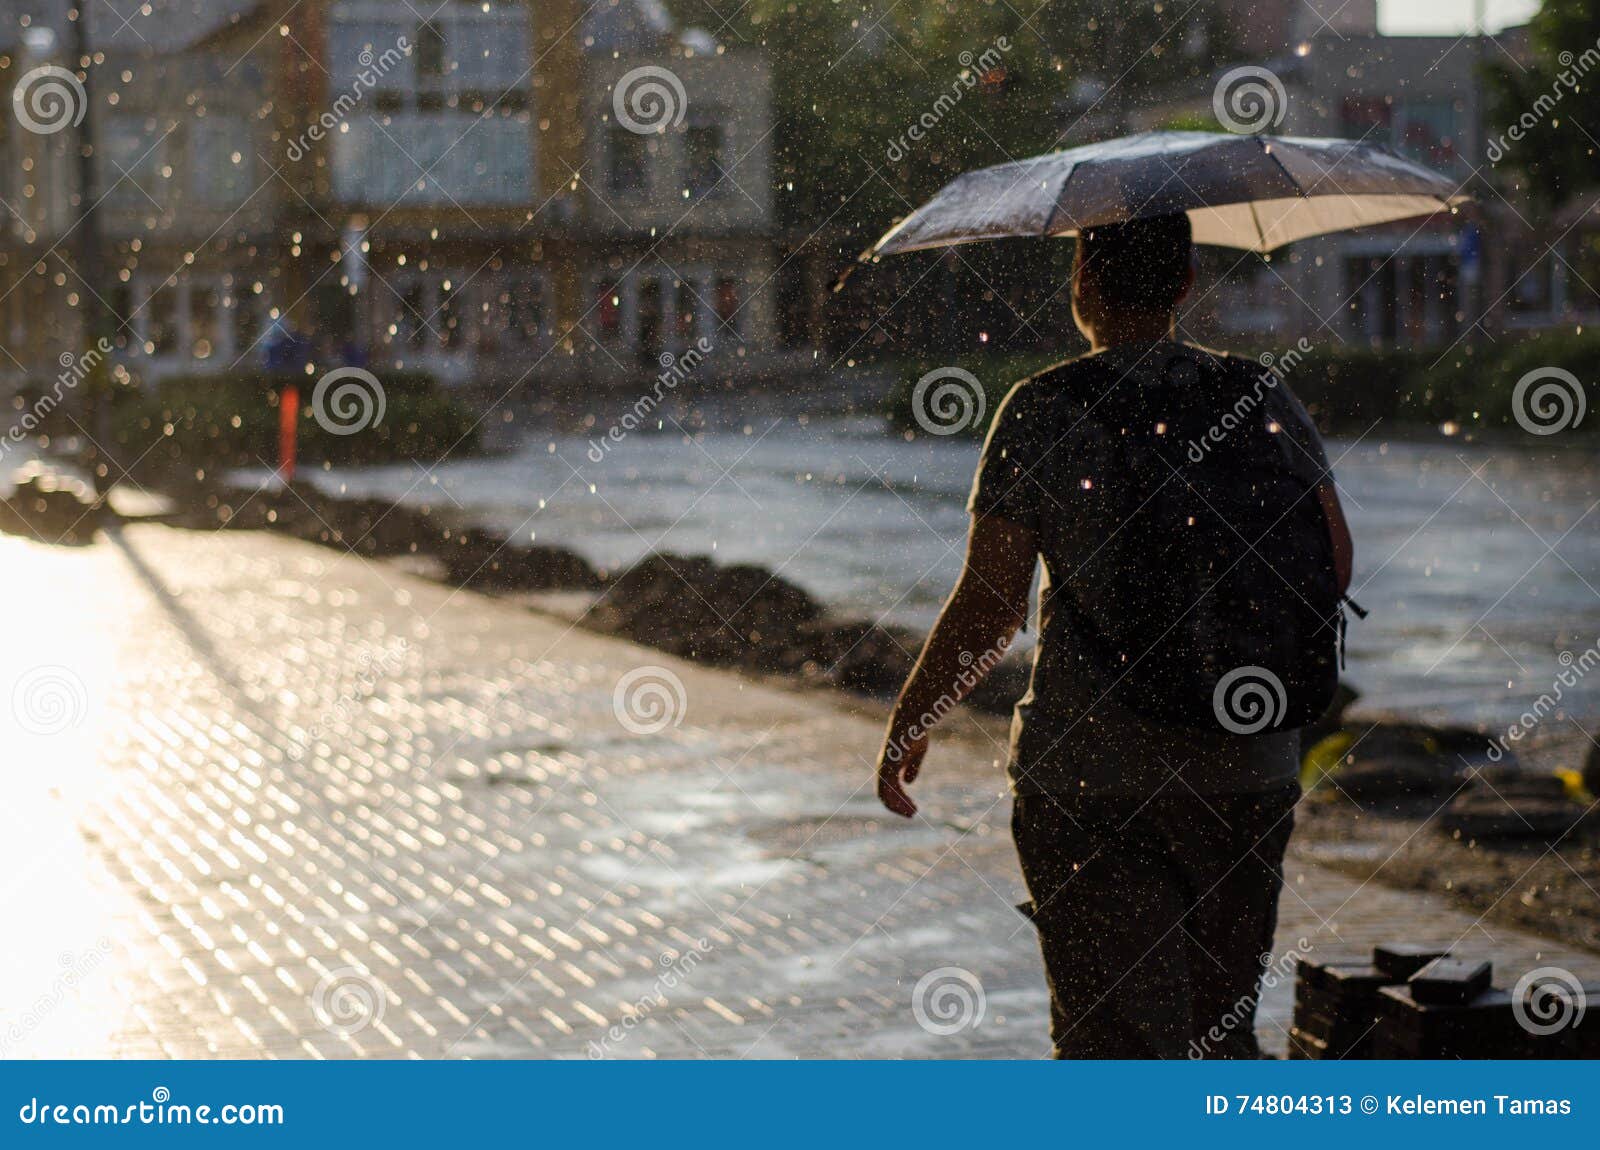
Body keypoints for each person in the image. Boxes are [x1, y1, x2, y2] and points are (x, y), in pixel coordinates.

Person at [873, 213, 1353, 1058]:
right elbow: (1333, 563)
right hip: (1247, 769)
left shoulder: (1044, 406)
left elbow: (993, 608)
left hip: (1094, 780)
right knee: (1220, 1037)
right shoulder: (1261, 393)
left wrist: (914, 718)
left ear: (1083, 285)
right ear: (1185, 282)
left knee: (1111, 1045)